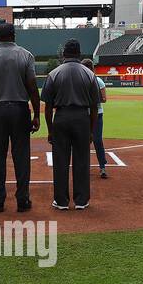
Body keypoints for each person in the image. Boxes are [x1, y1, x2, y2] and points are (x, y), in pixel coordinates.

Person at [0, 22, 41, 212]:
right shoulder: (26, 55)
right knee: (21, 158)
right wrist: (36, 115)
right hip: (20, 110)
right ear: (14, 36)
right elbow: (32, 88)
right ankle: (22, 200)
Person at [42, 40, 100, 211]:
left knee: (60, 161)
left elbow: (47, 108)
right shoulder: (89, 74)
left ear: (64, 54)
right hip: (82, 118)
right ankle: (81, 201)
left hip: (61, 117)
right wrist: (90, 130)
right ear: (79, 53)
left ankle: (61, 201)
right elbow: (94, 107)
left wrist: (51, 130)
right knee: (82, 160)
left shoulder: (54, 73)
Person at [82, 58, 109, 178]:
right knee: (83, 142)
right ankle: (83, 167)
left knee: (97, 140)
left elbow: (104, 99)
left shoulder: (98, 81)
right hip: (83, 114)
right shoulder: (81, 81)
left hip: (97, 114)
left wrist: (92, 99)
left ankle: (102, 167)